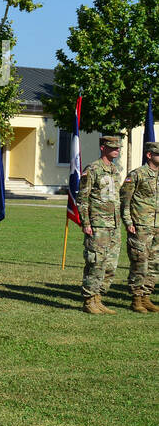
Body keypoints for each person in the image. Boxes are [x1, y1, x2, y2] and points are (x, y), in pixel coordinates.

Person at [80, 133, 126, 315]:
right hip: (98, 224)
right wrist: (86, 222)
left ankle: (98, 298)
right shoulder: (92, 169)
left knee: (110, 265)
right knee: (96, 262)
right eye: (113, 148)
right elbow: (82, 198)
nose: (116, 151)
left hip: (114, 225)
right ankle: (89, 300)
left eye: (118, 148)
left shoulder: (114, 170)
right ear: (103, 148)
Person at [119, 140, 159, 313]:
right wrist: (128, 222)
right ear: (149, 155)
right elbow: (125, 200)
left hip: (157, 226)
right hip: (141, 226)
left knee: (154, 264)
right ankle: (136, 299)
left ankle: (146, 296)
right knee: (139, 262)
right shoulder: (137, 175)